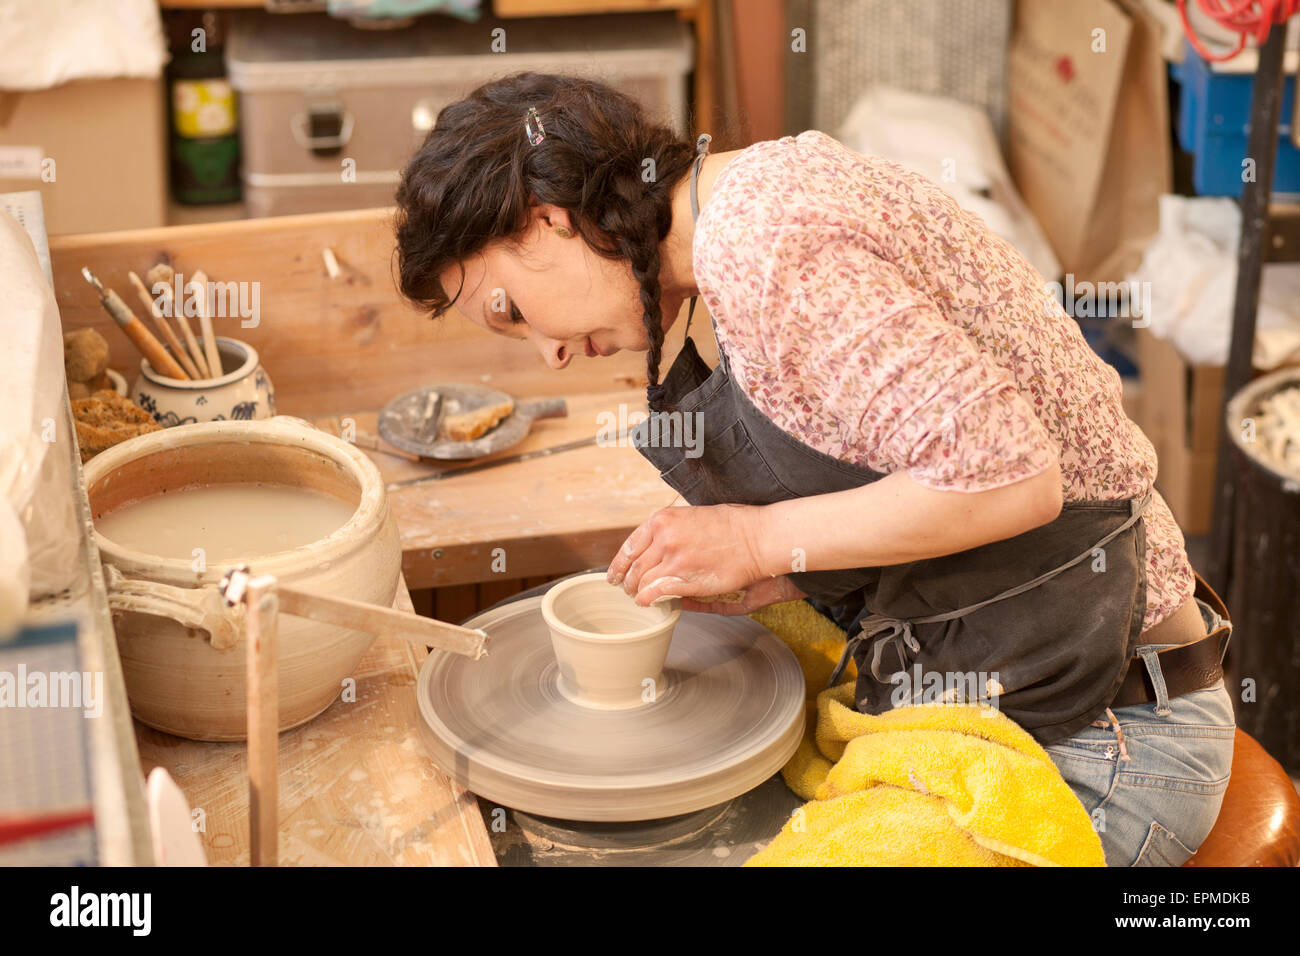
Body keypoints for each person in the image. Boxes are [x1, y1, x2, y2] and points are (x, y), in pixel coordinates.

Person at [393, 72, 1236, 866]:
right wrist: (796, 573)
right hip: (1016, 675)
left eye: (510, 310)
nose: (547, 353)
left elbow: (1011, 476)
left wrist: (759, 538)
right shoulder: (750, 204)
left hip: (1111, 741)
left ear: (548, 219)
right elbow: (911, 456)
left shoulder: (770, 247)